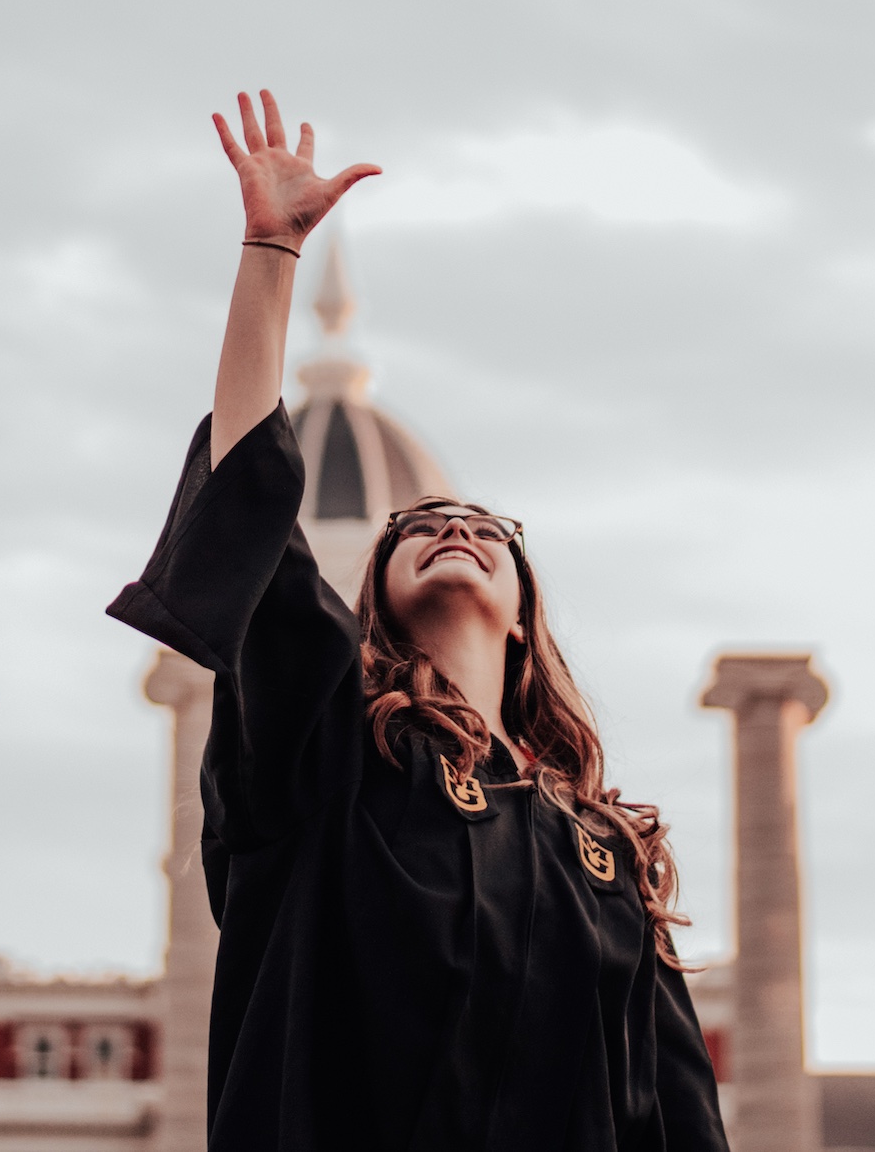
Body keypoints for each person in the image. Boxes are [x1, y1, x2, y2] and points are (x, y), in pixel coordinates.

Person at [108, 90, 729, 1152]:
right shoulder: (332, 754)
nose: (454, 528)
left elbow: (676, 1114)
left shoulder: (602, 848)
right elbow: (250, 507)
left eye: (484, 524)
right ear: (371, 600)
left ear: (527, 611)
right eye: (419, 527)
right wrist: (268, 252)